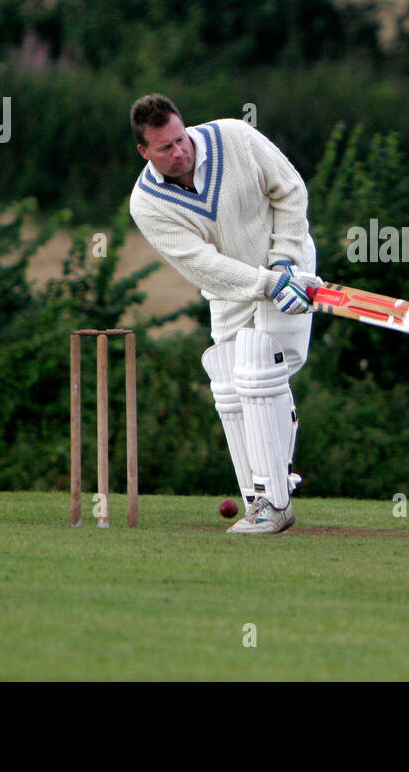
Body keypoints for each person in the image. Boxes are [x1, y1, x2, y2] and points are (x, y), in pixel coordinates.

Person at [127, 95, 317, 534]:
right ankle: (260, 493)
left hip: (285, 262)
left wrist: (285, 262)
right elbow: (202, 264)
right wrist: (265, 284)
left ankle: (276, 501)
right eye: (165, 148)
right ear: (144, 152)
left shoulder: (234, 136)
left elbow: (289, 190)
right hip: (232, 289)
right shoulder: (148, 203)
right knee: (228, 382)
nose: (179, 151)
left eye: (181, 138)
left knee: (260, 369)